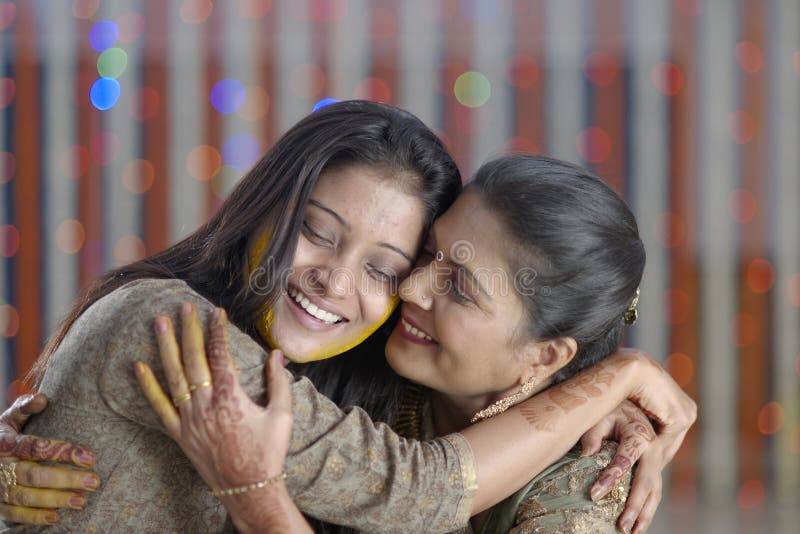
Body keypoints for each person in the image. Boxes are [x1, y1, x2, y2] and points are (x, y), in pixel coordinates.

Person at [0, 102, 695, 531]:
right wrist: (614, 378)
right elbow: (419, 489)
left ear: (548, 353)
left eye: (386, 267)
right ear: (266, 205)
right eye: (318, 229)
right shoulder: (176, 329)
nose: (334, 281)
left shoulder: (336, 378)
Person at [138, 155, 691, 533]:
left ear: (546, 355)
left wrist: (257, 497)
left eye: (460, 288)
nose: (410, 287)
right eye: (428, 253)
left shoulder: (584, 491)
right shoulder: (354, 351)